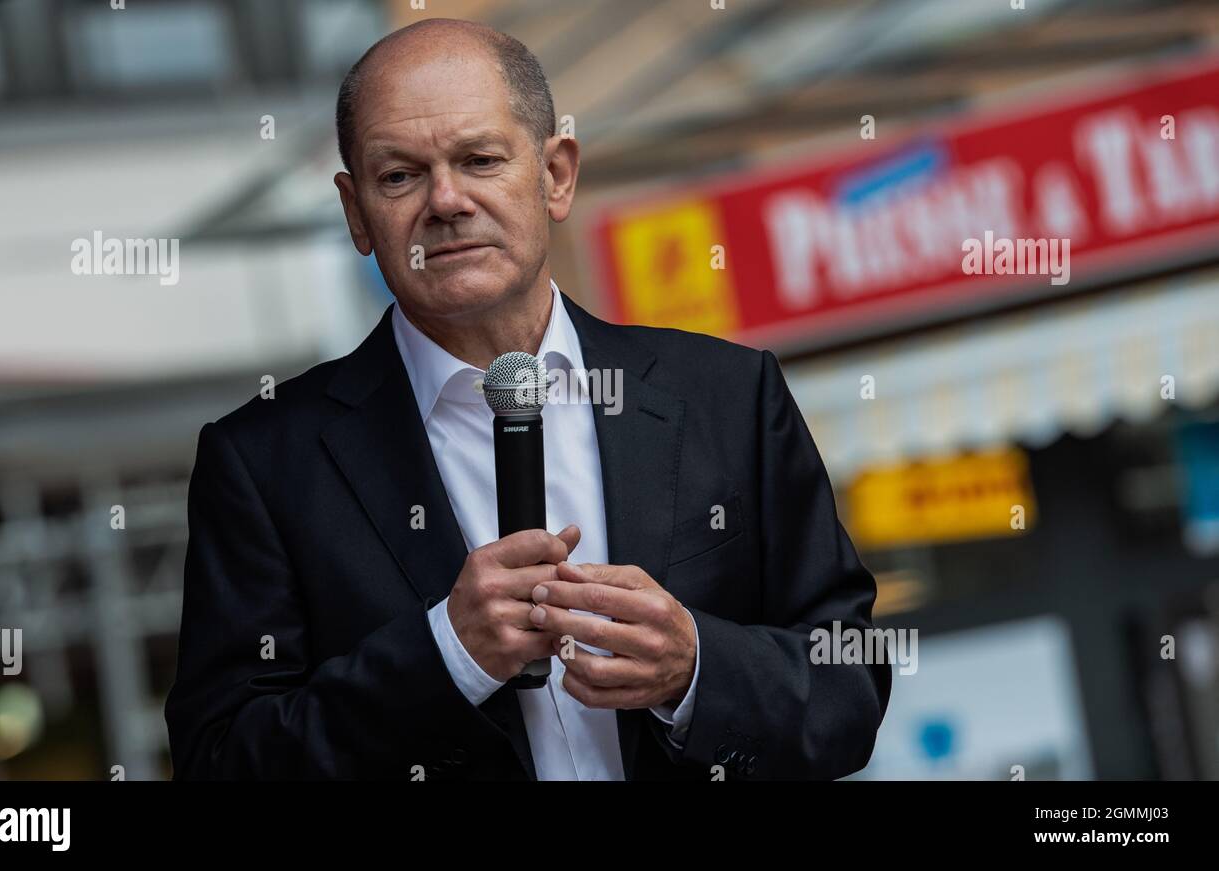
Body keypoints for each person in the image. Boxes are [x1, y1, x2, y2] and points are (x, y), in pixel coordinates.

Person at [164, 18, 890, 780]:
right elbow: (221, 762)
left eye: (479, 159)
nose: (446, 200)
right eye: (400, 176)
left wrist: (696, 666)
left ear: (556, 176)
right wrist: (444, 654)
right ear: (356, 214)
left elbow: (849, 680)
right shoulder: (265, 465)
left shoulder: (727, 396)